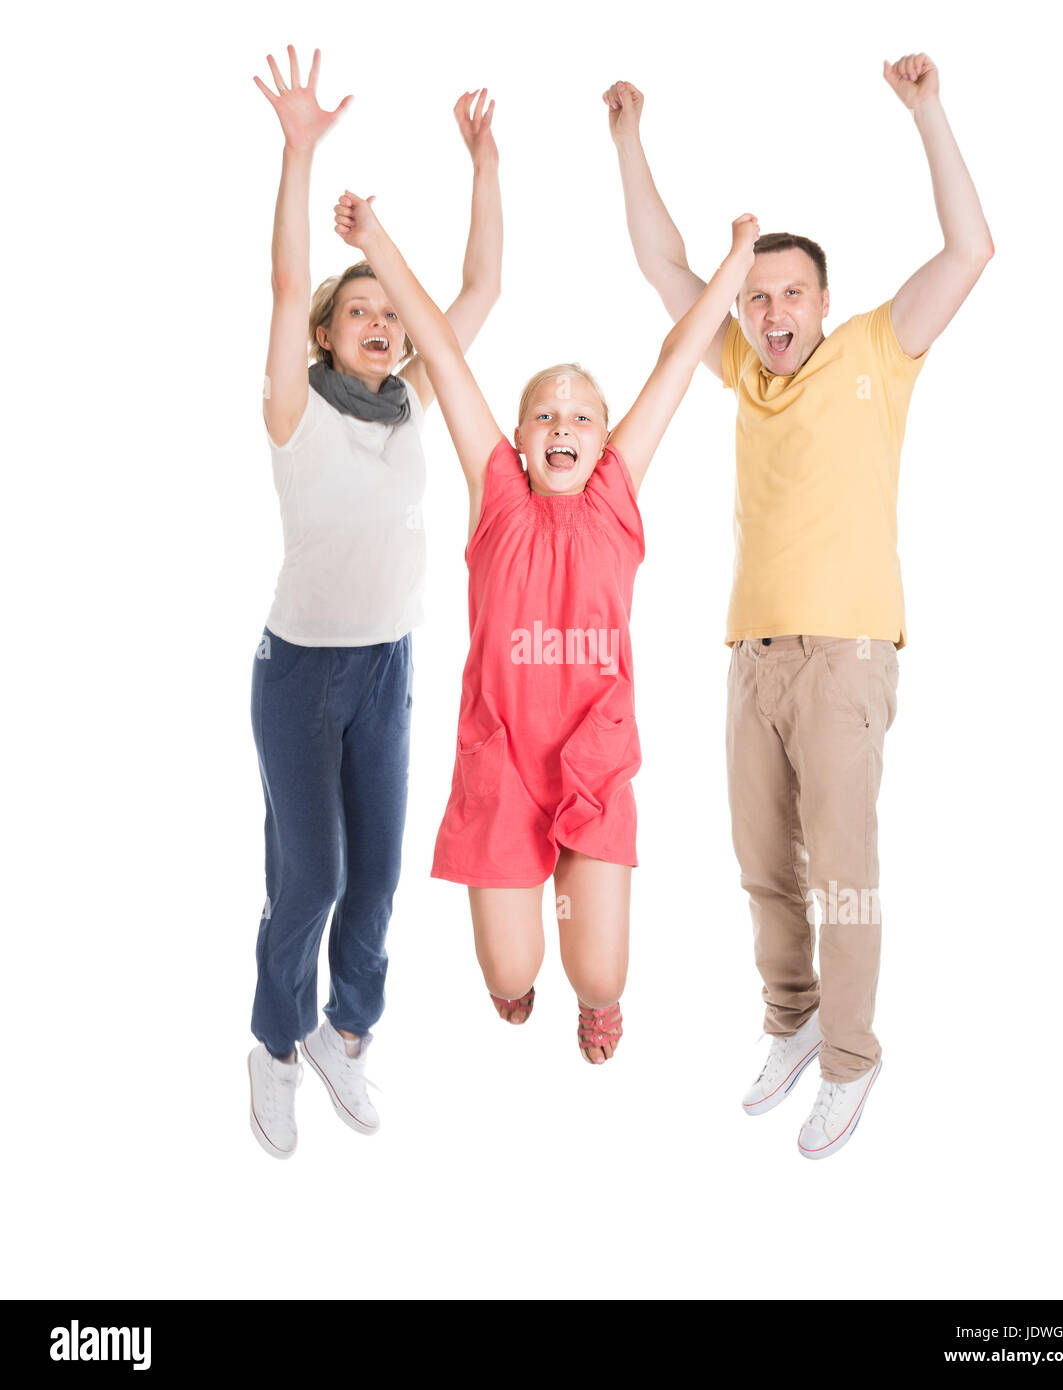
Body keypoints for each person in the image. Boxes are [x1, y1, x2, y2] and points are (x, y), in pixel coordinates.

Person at [605, 54, 993, 1155]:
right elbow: (658, 263)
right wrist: (629, 137)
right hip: (751, 656)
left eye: (790, 293)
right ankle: (792, 1017)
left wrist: (926, 111)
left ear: (823, 299)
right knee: (762, 864)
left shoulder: (878, 347)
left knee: (845, 872)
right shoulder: (743, 370)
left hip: (845, 658)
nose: (771, 310)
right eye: (757, 294)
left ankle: (852, 1056)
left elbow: (971, 249)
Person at [332, 184, 760, 1064]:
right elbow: (443, 354)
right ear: (521, 440)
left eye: (581, 415)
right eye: (545, 414)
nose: (562, 423)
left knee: (600, 976)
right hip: (502, 761)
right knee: (509, 970)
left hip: (593, 759)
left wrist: (736, 266)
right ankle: (514, 977)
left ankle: (594, 1002)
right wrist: (375, 240)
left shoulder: (613, 496)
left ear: (604, 441)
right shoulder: (496, 497)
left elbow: (678, 361)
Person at [246, 45, 502, 1159]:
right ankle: (273, 1038)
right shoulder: (293, 408)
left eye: (393, 313)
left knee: (382, 875)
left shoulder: (412, 404)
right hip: (300, 672)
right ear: (328, 331)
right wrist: (299, 153)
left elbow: (483, 289)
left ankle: (344, 1033)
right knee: (313, 871)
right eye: (362, 310)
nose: (384, 323)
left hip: (389, 666)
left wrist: (484, 160)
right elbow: (282, 281)